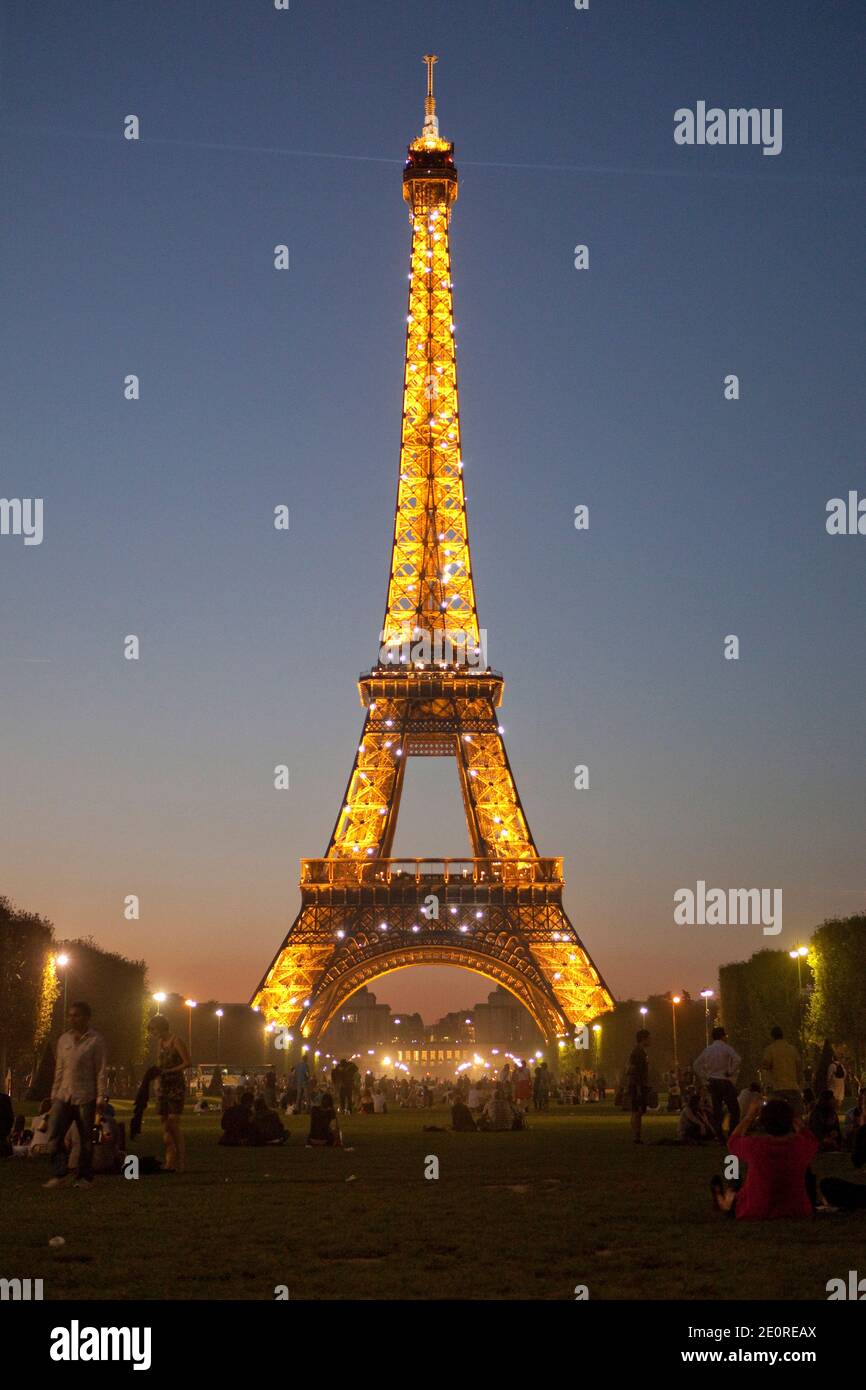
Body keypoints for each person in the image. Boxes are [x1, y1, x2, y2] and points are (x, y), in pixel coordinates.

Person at [711, 1095, 818, 1220]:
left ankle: (725, 1200)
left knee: (734, 1173)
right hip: (797, 1209)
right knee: (807, 1172)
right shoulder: (801, 1145)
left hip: (756, 1209)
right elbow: (811, 1139)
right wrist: (792, 1116)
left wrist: (749, 1116)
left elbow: (733, 1141)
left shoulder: (755, 1145)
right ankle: (726, 1199)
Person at [43, 1001, 108, 1189]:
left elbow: (100, 1070)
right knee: (54, 1135)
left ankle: (84, 1177)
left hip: (85, 1095)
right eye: (70, 1015)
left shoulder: (96, 1041)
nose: (72, 1019)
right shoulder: (63, 1040)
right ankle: (60, 1172)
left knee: (86, 1140)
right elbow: (60, 1069)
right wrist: (54, 1093)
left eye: (76, 1015)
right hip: (64, 1094)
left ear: (87, 1017)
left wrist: (100, 1096)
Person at [146, 1013, 190, 1173]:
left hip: (175, 1086)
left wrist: (169, 1071)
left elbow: (187, 1062)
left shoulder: (176, 1041)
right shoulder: (161, 1042)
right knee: (166, 1127)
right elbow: (159, 1062)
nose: (153, 1033)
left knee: (173, 1125)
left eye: (153, 1030)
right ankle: (169, 1161)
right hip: (163, 1086)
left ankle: (181, 1161)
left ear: (161, 1027)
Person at [693, 1026, 741, 1142]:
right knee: (734, 1109)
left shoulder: (708, 1050)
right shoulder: (726, 1048)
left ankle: (719, 1135)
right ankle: (732, 1133)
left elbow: (696, 1065)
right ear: (722, 1036)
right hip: (724, 1080)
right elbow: (737, 1059)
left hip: (712, 1081)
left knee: (717, 1109)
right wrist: (730, 1071)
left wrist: (705, 1077)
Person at [760, 1026, 803, 1113]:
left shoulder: (770, 1049)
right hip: (793, 1087)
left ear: (772, 1037)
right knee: (796, 1114)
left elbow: (766, 1065)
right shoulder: (792, 1049)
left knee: (777, 1115)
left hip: (778, 1088)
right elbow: (799, 1066)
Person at [626, 1029, 651, 1144]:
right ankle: (637, 1136)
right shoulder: (638, 1053)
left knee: (636, 1110)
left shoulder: (638, 1051)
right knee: (638, 1111)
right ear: (643, 1039)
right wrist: (638, 1087)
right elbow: (633, 1070)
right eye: (649, 1038)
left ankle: (636, 1135)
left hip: (637, 1084)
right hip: (638, 1085)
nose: (650, 1040)